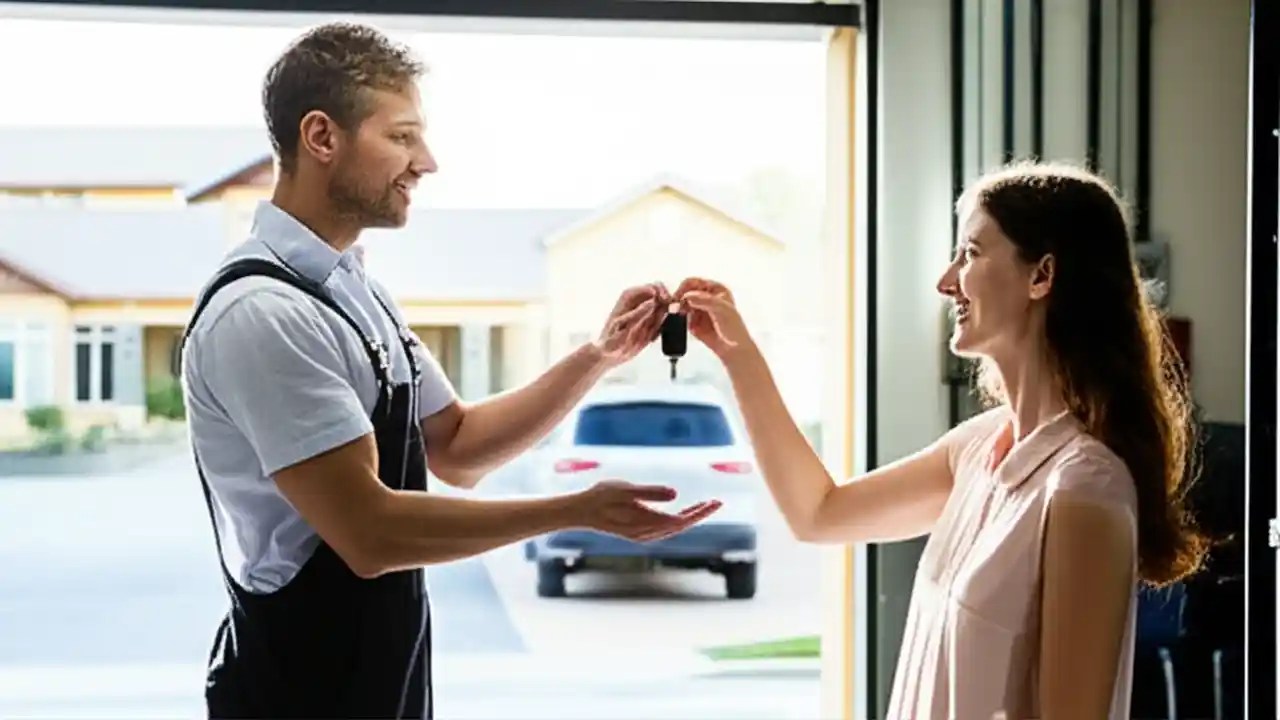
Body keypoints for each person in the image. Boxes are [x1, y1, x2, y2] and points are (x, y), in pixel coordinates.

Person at [179, 22, 720, 720]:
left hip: (380, 684)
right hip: (296, 691)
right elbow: (371, 534)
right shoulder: (262, 313)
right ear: (321, 138)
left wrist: (599, 357)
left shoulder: (356, 293)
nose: (426, 161)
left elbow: (459, 446)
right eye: (402, 136)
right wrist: (575, 511)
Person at [674, 160, 1208, 720]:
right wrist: (739, 357)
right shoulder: (976, 449)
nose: (946, 280)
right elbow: (818, 513)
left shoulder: (1084, 486)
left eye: (971, 254)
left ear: (1041, 275)